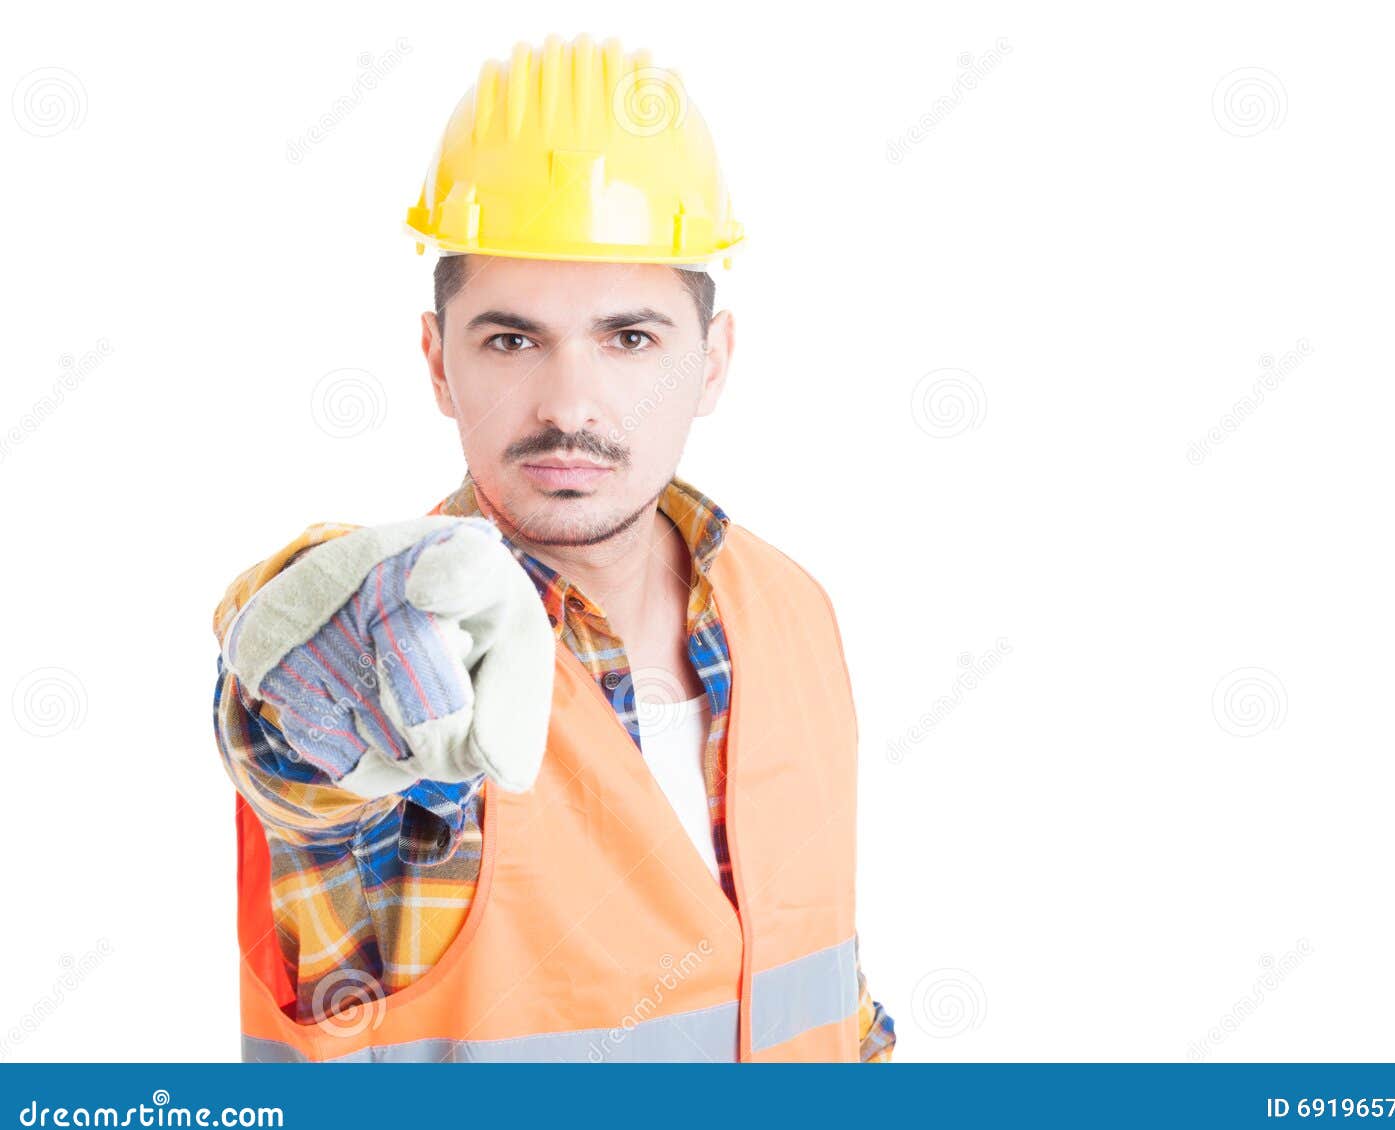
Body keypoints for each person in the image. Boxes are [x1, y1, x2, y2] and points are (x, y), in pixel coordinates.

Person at [210, 32, 895, 1063]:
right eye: (511, 338)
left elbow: (821, 978)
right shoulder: (416, 652)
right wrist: (298, 674)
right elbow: (294, 743)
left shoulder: (790, 605)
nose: (569, 404)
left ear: (713, 361)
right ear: (438, 363)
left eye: (630, 339)